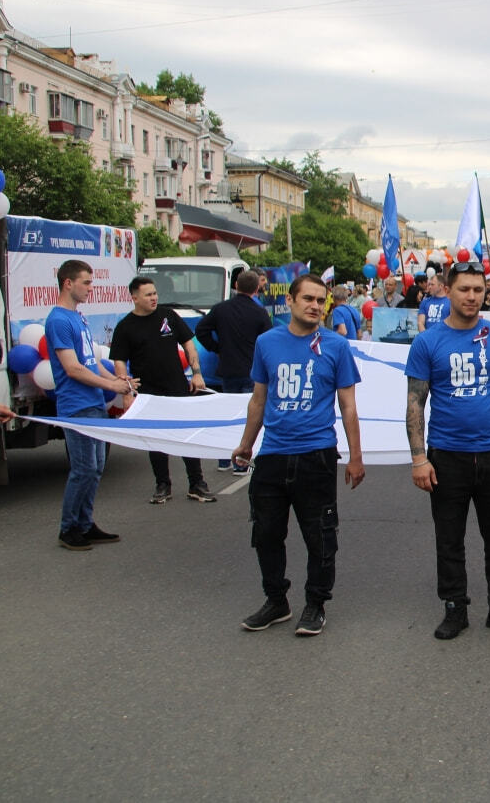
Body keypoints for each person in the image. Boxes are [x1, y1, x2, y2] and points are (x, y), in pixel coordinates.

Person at [405, 261, 490, 640]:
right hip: (446, 456)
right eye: (464, 289)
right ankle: (454, 607)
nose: (472, 296)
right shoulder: (427, 342)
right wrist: (419, 458)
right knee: (449, 539)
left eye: (478, 289)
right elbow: (415, 403)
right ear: (448, 289)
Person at [233, 274, 365, 637]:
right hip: (273, 455)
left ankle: (316, 603)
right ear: (289, 302)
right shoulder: (266, 343)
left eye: (320, 301)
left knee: (320, 535)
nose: (314, 306)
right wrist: (246, 444)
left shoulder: (336, 346)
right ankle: (276, 600)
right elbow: (258, 400)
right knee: (266, 533)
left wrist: (355, 456)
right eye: (307, 298)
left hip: (316, 455)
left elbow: (348, 407)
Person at [46, 260, 137, 551]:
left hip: (93, 402)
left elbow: (91, 362)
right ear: (67, 283)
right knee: (84, 469)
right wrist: (112, 386)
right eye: (86, 282)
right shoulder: (59, 320)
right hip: (76, 405)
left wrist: (118, 379)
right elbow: (73, 369)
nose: (90, 288)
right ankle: (68, 528)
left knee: (95, 467)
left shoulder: (79, 318)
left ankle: (85, 524)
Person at [111, 276, 217, 505]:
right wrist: (126, 392)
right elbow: (119, 361)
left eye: (155, 293)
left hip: (177, 387)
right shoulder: (125, 327)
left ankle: (197, 483)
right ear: (135, 298)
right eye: (148, 294)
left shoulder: (167, 315)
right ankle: (163, 485)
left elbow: (188, 343)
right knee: (156, 439)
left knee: (187, 436)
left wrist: (197, 372)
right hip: (148, 392)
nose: (154, 298)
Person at [196, 268, 273, 472]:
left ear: (236, 286)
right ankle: (241, 463)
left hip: (228, 368)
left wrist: (216, 347)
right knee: (250, 417)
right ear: (257, 288)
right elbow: (269, 342)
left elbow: (201, 330)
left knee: (229, 416)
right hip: (252, 371)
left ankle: (223, 459)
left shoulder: (221, 309)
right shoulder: (259, 312)